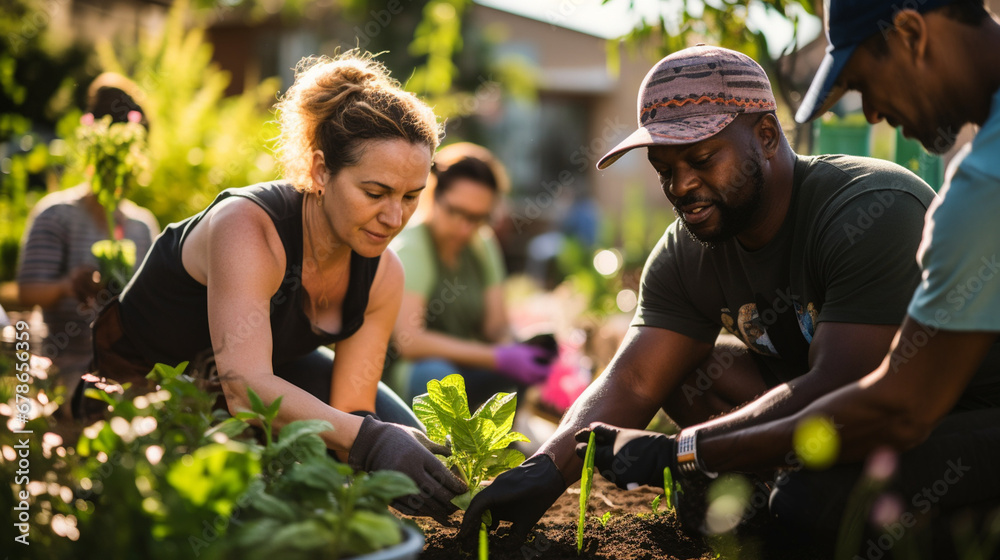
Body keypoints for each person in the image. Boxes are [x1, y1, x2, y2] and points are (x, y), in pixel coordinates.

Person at [458, 44, 1000, 544]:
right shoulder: (689, 249)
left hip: (953, 415)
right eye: (664, 169)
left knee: (817, 504)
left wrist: (685, 452)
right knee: (691, 371)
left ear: (765, 135)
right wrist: (545, 470)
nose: (681, 187)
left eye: (700, 159)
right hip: (827, 416)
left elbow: (843, 384)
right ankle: (768, 500)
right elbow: (638, 377)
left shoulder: (869, 209)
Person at [79, 52, 466, 521]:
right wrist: (368, 441)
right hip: (144, 389)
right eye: (375, 192)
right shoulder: (248, 228)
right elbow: (244, 388)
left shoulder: (384, 273)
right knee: (218, 513)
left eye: (410, 197)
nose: (394, 218)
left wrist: (370, 466)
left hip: (259, 385)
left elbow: (351, 411)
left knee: (405, 440)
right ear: (322, 171)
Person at [17, 73, 160, 398]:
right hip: (65, 364)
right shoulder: (56, 214)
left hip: (126, 367)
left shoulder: (141, 225)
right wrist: (69, 285)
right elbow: (27, 292)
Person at [385, 142, 556, 409]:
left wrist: (520, 351)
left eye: (477, 218)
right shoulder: (413, 246)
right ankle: (431, 448)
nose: (465, 228)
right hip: (411, 373)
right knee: (437, 376)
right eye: (456, 212)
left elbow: (495, 327)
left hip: (464, 365)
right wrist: (496, 357)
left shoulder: (481, 244)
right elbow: (410, 341)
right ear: (434, 196)